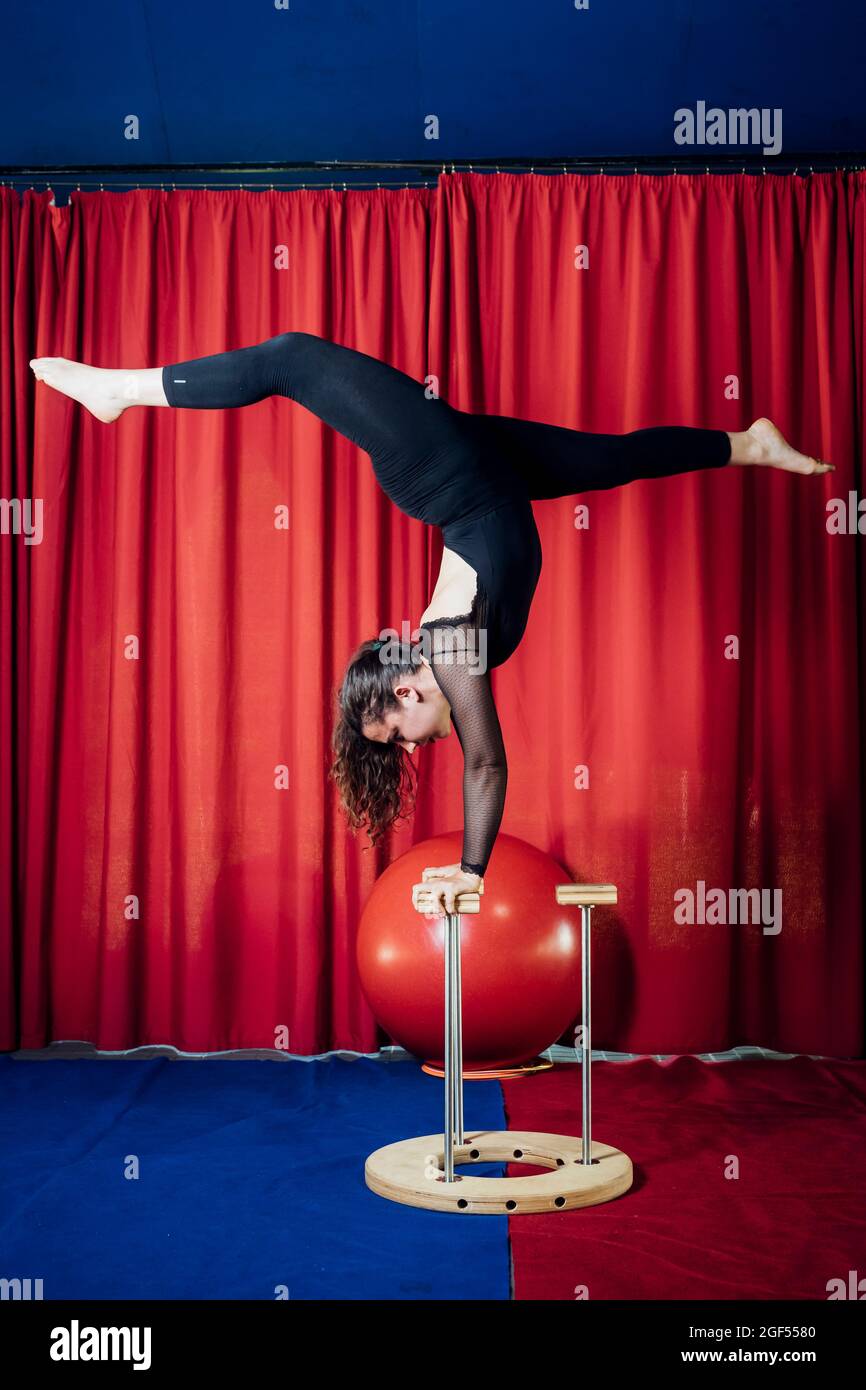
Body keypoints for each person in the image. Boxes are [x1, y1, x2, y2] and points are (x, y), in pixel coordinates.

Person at [30, 331, 833, 913]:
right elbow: (478, 756)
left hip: (441, 469)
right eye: (403, 747)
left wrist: (473, 871)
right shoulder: (454, 649)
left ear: (410, 679)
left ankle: (119, 392)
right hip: (481, 475)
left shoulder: (450, 648)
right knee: (613, 459)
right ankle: (745, 445)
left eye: (399, 726)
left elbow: (486, 769)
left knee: (291, 360)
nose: (417, 744)